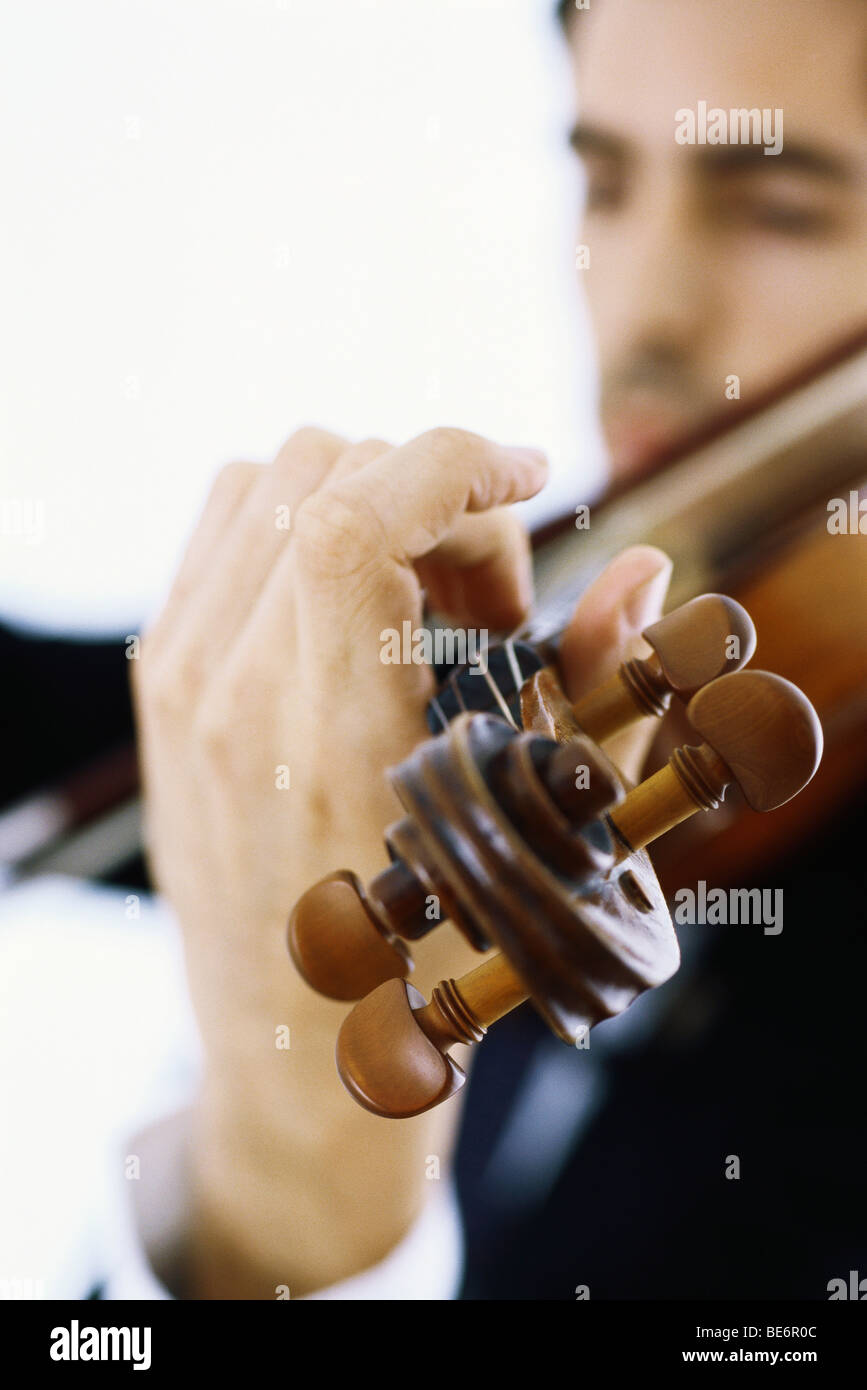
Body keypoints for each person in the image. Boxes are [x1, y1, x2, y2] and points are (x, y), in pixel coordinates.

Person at [5, 0, 866, 1300]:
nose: (646, 312)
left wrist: (301, 1203)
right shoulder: (552, 675)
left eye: (780, 206)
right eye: (604, 182)